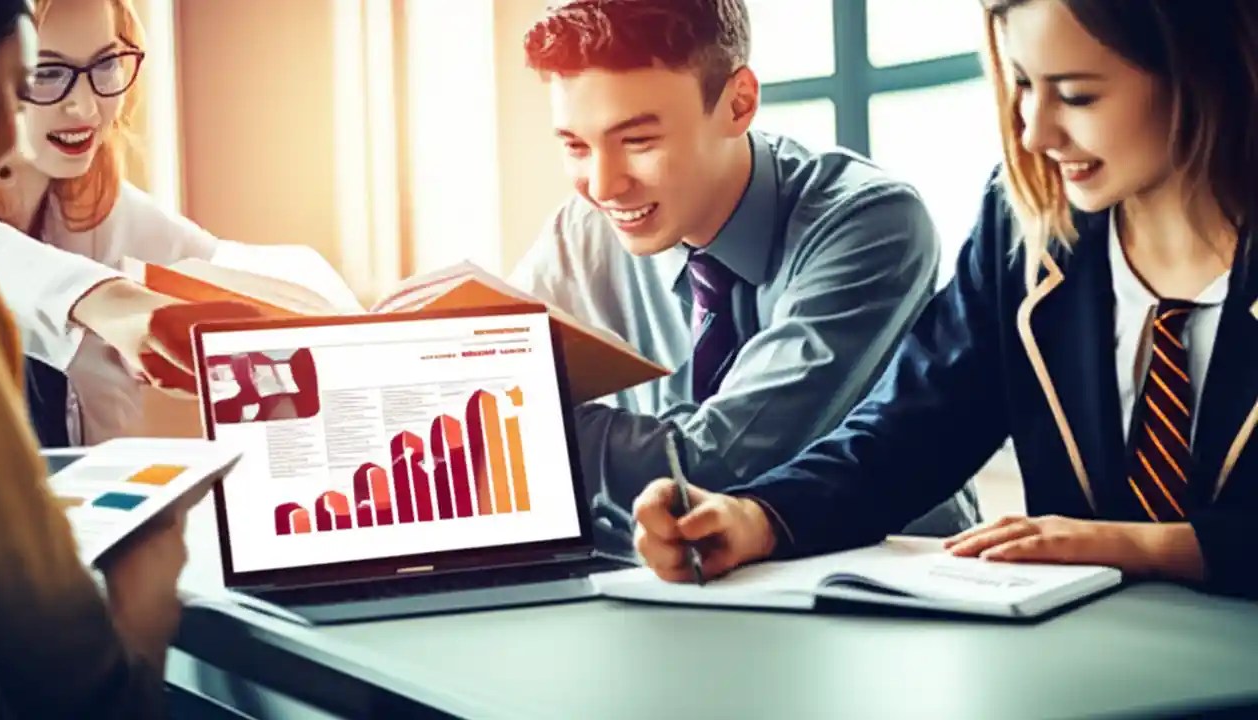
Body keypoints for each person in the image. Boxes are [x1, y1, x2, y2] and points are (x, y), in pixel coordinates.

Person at [631, 0, 1258, 601]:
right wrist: (757, 517)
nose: (1035, 132)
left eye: (1077, 95)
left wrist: (1148, 548)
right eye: (1021, 85)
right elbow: (910, 429)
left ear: (1202, 71)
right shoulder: (1025, 229)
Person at [512, 0, 978, 553]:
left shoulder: (871, 223)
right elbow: (495, 376)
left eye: (638, 142)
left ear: (738, 103)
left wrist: (519, 432)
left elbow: (719, 465)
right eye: (575, 146)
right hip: (668, 586)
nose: (604, 185)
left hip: (880, 583)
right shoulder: (581, 232)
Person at [0, 0, 192, 715]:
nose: (82, 103)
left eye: (106, 66)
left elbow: (235, 273)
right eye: (34, 79)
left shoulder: (118, 214)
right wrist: (143, 610)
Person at [0, 0, 235, 446]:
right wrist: (106, 300)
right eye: (45, 74)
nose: (85, 107)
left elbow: (230, 264)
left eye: (106, 63)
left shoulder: (96, 202)